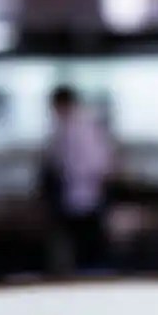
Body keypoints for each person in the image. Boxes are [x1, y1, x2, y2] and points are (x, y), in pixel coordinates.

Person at [42, 85, 114, 273]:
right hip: (73, 196)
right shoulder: (66, 127)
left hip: (84, 195)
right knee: (76, 246)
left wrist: (75, 177)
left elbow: (98, 164)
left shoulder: (82, 127)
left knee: (87, 247)